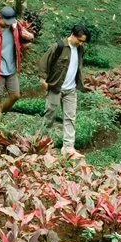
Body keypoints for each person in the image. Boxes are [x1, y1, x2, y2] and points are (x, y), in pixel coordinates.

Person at [38, 24, 90, 156]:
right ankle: (42, 144)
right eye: (79, 40)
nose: (81, 43)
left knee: (70, 118)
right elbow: (44, 62)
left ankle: (68, 148)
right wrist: (43, 79)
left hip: (70, 89)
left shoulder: (80, 49)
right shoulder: (59, 46)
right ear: (72, 34)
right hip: (56, 87)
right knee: (50, 116)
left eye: (83, 41)